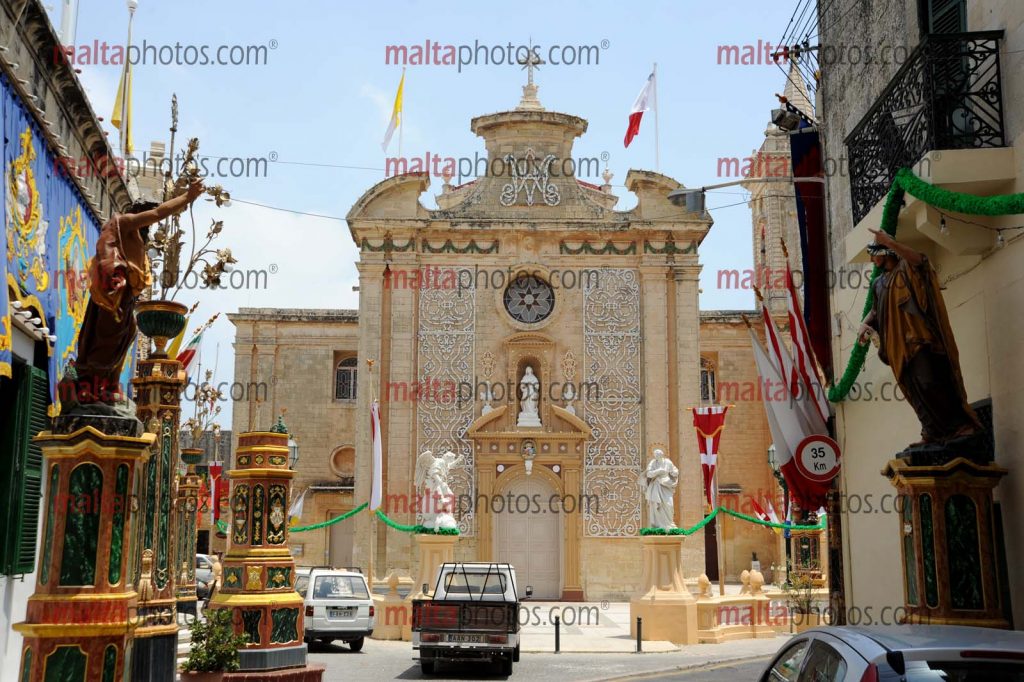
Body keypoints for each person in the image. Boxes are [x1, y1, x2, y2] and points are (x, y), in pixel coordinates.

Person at [73, 180, 205, 404]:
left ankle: (109, 384)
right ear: (137, 213)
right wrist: (187, 197)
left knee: (127, 334)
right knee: (107, 339)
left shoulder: (135, 239)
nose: (149, 227)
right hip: (112, 297)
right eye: (145, 221)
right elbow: (157, 213)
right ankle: (94, 386)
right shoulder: (124, 223)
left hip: (124, 300)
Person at [858, 228, 980, 445]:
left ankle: (959, 425)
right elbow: (877, 310)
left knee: (929, 381)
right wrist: (864, 324)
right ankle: (930, 430)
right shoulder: (879, 283)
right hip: (897, 345)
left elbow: (920, 260)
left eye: (874, 253)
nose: (871, 258)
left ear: (886, 252)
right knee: (912, 388)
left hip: (919, 339)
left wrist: (891, 242)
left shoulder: (907, 269)